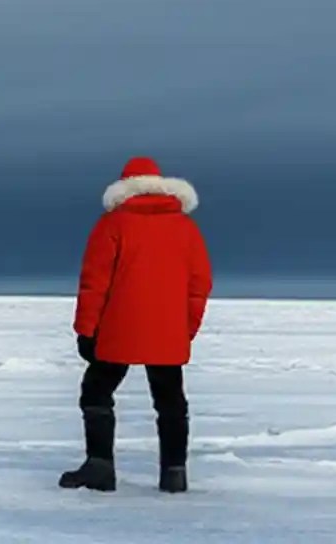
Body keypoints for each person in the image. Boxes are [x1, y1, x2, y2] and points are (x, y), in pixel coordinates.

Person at [59, 157, 213, 493]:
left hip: (117, 328)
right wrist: (186, 330)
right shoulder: (186, 228)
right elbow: (199, 285)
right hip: (168, 330)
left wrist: (86, 330)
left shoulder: (113, 224)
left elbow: (94, 283)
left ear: (124, 187)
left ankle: (100, 467)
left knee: (96, 391)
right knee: (170, 400)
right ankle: (174, 473)